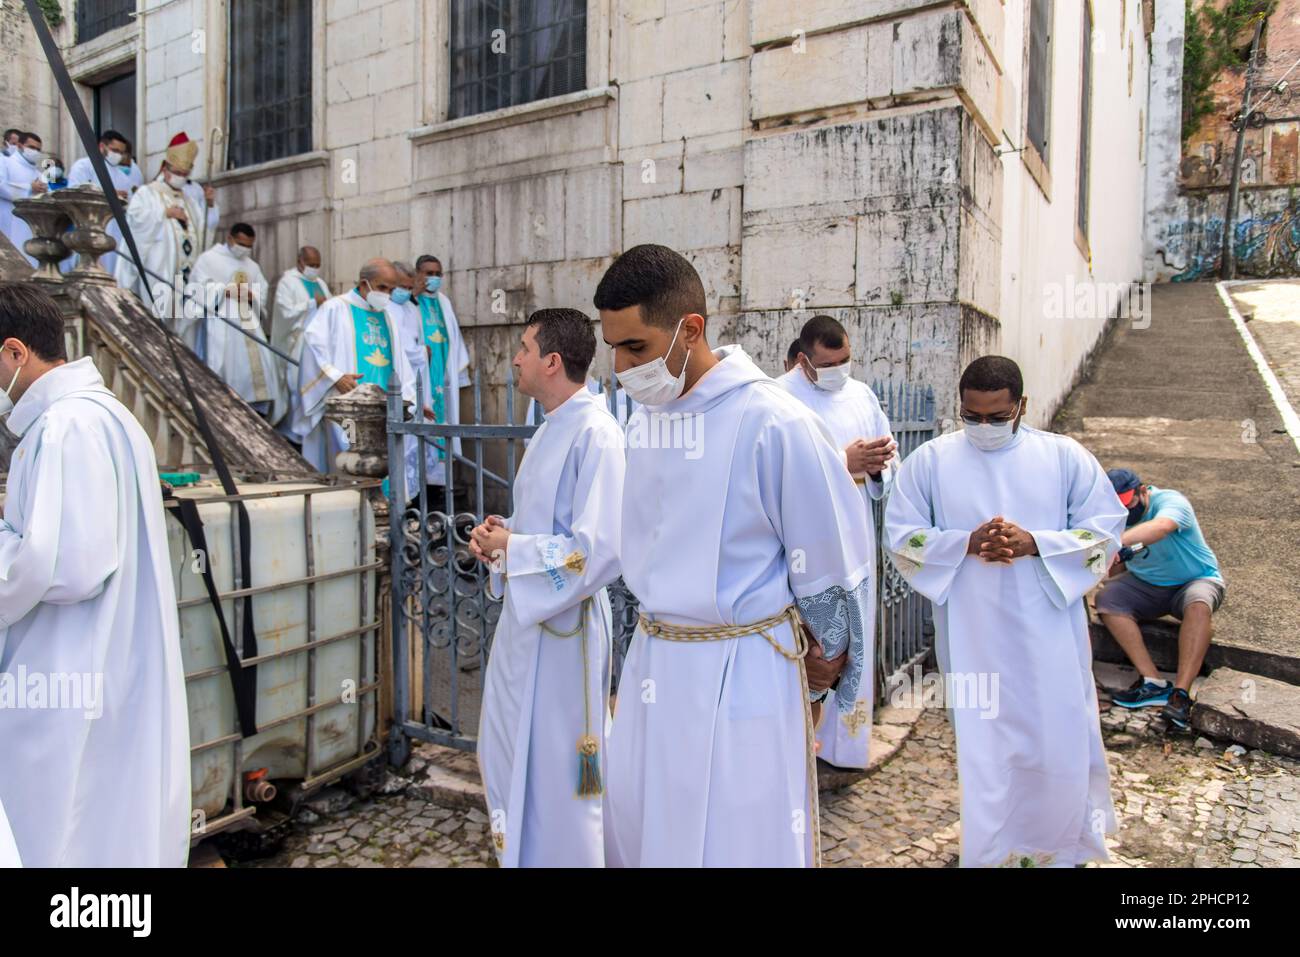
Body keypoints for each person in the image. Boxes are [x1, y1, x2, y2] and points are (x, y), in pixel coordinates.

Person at [597, 244, 876, 868]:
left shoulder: (775, 422)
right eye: (612, 348)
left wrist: (826, 659)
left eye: (635, 347)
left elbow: (827, 561)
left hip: (746, 665)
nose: (620, 366)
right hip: (654, 661)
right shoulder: (647, 420)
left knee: (737, 835)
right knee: (646, 824)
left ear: (690, 329)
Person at [884, 355, 1125, 867]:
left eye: (998, 417)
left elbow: (1105, 529)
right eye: (973, 417)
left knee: (1057, 740)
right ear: (960, 407)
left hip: (1050, 634)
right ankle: (992, 853)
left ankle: (1060, 849)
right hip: (975, 635)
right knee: (987, 751)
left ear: (1022, 407)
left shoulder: (1064, 457)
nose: (985, 428)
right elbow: (902, 537)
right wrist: (964, 543)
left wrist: (1035, 542)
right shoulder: (930, 461)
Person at [0, 282, 190, 867]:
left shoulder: (67, 426)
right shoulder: (105, 416)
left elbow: (67, 565)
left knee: (65, 827)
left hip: (68, 666)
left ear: (13, 353)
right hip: (103, 663)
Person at [470, 308, 625, 867]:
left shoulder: (598, 435)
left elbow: (600, 549)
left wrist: (513, 550)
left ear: (553, 361)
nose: (515, 358)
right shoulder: (550, 429)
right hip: (526, 624)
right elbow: (545, 532)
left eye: (524, 348)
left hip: (567, 634)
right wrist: (501, 539)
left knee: (565, 771)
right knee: (512, 750)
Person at [779, 314, 897, 768]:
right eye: (830, 363)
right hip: (806, 549)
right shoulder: (779, 398)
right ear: (805, 362)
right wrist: (843, 461)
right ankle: (797, 752)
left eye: (846, 359)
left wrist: (878, 464)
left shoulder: (862, 395)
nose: (840, 370)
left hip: (857, 541)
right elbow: (780, 473)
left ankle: (844, 747)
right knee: (811, 648)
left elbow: (889, 458)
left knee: (854, 641)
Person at [1097, 469, 1225, 731]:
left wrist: (1112, 542)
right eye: (1118, 506)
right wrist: (1116, 559)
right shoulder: (1112, 518)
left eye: (1129, 503)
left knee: (1199, 604)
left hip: (1195, 579)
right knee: (1107, 598)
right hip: (1149, 586)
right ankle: (1152, 682)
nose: (1126, 511)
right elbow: (1110, 573)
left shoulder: (1170, 501)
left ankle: (1180, 693)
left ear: (1143, 492)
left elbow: (1162, 527)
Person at [294, 257, 419, 472]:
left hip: (383, 405)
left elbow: (401, 364)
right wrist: (336, 377)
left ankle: (382, 505)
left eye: (391, 290)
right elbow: (312, 347)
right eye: (382, 288)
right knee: (350, 462)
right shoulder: (335, 308)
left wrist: (408, 398)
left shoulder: (387, 316)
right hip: (346, 401)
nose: (386, 295)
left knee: (383, 463)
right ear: (364, 284)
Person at [189, 223, 286, 422]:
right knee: (227, 363)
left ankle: (256, 409)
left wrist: (252, 295)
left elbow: (262, 289)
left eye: (249, 246)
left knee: (260, 366)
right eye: (241, 243)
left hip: (248, 319)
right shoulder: (209, 259)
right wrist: (223, 290)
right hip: (222, 319)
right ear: (230, 239)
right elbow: (195, 288)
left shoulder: (251, 266)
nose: (244, 249)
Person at [114, 132, 206, 329]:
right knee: (158, 322)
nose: (180, 177)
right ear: (165, 169)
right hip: (159, 269)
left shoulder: (191, 202)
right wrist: (164, 212)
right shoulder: (148, 193)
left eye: (184, 174)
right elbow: (135, 219)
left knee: (184, 325)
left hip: (186, 275)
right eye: (177, 172)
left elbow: (202, 232)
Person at [270, 245, 330, 437]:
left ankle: (310, 432)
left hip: (319, 344)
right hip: (297, 343)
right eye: (311, 264)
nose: (314, 268)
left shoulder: (320, 282)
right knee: (296, 386)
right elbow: (285, 311)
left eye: (317, 264)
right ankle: (292, 432)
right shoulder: (288, 282)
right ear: (300, 262)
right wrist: (312, 304)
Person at [67, 129, 133, 274]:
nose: (118, 155)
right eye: (114, 150)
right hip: (88, 228)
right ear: (102, 147)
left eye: (121, 152)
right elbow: (74, 194)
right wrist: (107, 193)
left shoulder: (124, 178)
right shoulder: (83, 166)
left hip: (115, 233)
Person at [0, 132, 46, 267]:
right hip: (7, 221)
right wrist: (28, 188)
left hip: (30, 228)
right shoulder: (4, 162)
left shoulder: (39, 174)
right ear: (20, 145)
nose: (35, 152)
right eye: (32, 147)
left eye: (38, 149)